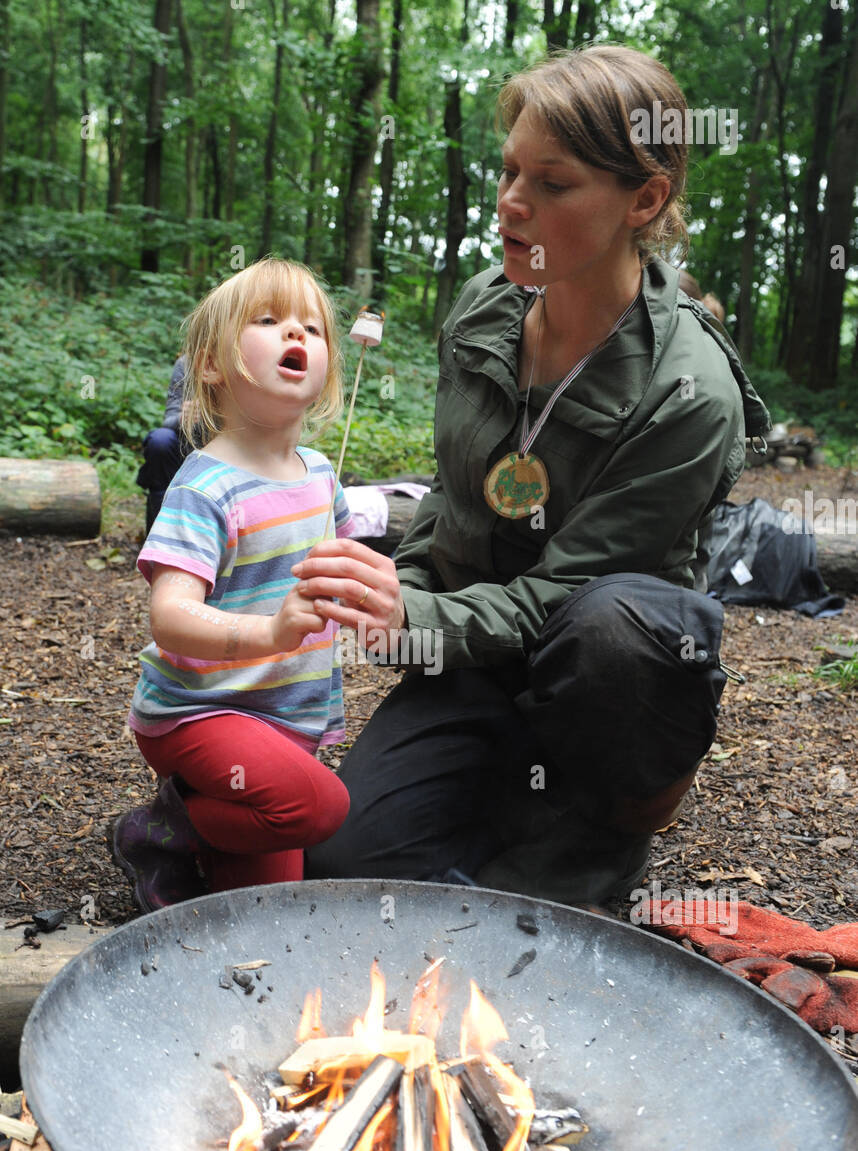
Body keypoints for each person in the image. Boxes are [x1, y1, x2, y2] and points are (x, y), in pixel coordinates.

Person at [297, 44, 771, 906]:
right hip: (474, 661)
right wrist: (388, 594)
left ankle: (630, 800)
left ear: (646, 198)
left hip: (601, 670)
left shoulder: (689, 394)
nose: (512, 204)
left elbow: (563, 593)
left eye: (552, 185)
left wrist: (418, 617)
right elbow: (451, 496)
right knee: (343, 868)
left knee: (541, 903)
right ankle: (502, 781)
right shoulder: (486, 307)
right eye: (511, 171)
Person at [111, 257, 354, 913]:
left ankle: (179, 848)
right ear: (211, 365)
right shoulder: (205, 486)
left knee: (264, 920)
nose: (296, 335)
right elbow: (171, 616)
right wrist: (270, 631)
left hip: (284, 720)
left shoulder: (320, 475)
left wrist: (368, 597)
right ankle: (174, 825)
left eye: (311, 326)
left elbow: (346, 566)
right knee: (319, 806)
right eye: (270, 321)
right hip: (202, 711)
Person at [136, 356, 205, 536]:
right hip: (184, 447)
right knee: (160, 441)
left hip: (225, 451)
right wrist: (184, 418)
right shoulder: (186, 363)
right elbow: (168, 420)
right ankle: (156, 539)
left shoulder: (244, 362)